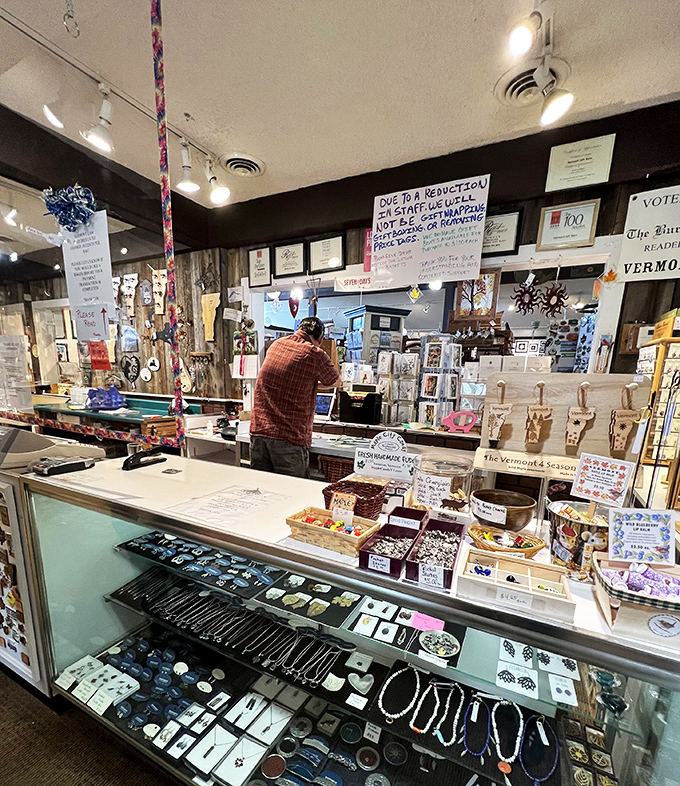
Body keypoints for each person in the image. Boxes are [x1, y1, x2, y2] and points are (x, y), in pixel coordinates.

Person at [250, 316, 342, 477]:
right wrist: (314, 385)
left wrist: (309, 384)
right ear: (320, 339)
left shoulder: (276, 344)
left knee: (260, 488)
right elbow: (336, 381)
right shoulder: (314, 353)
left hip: (259, 432)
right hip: (289, 436)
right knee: (292, 490)